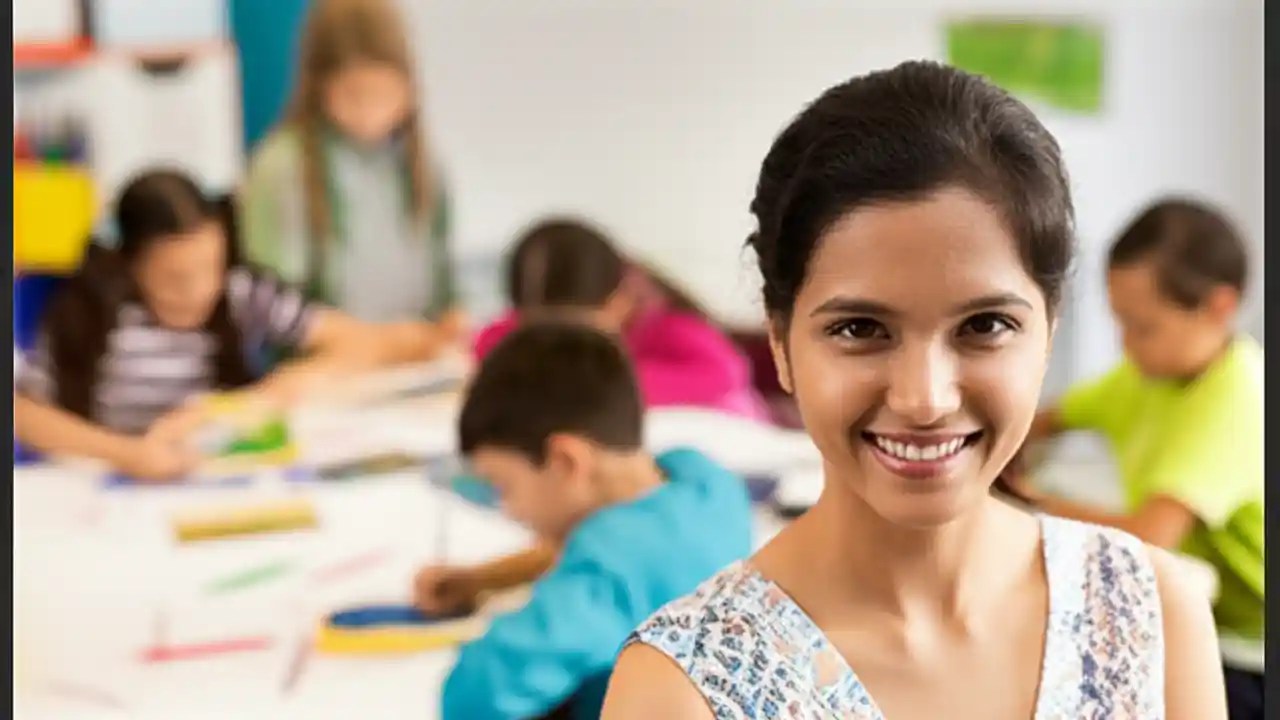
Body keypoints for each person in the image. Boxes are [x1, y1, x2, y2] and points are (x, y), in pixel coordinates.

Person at [602, 61, 1226, 719]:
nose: (924, 399)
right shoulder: (680, 688)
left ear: (1049, 331)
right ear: (781, 344)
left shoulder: (1151, 613)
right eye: (860, 328)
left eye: (985, 325)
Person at [14, 169, 448, 481]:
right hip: (105, 487)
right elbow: (24, 414)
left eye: (211, 267)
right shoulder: (87, 312)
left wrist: (264, 397)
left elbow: (361, 343)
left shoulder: (239, 294)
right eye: (175, 278)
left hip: (223, 483)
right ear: (130, 265)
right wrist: (127, 453)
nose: (199, 290)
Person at [416, 322, 753, 720]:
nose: (510, 511)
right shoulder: (703, 480)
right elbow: (615, 545)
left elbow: (475, 696)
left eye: (503, 486)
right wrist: (481, 579)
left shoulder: (604, 572)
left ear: (565, 462)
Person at [1019, 199, 1263, 719]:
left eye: (1143, 327)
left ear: (1219, 308)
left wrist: (1027, 499)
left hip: (1251, 651)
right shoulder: (1148, 373)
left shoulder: (1240, 397)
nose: (1126, 346)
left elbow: (1151, 535)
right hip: (1207, 618)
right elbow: (1043, 421)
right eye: (1121, 323)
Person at [240, 0, 464, 334]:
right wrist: (371, 343)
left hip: (413, 361)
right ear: (317, 88)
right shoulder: (283, 166)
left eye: (385, 93)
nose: (370, 112)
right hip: (327, 366)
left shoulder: (422, 164)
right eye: (353, 95)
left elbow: (445, 284)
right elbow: (269, 301)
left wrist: (452, 321)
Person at [473, 217, 769, 421]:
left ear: (619, 299)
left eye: (575, 329)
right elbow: (486, 343)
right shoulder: (547, 307)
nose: (558, 344)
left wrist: (594, 385)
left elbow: (729, 371)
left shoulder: (667, 325)